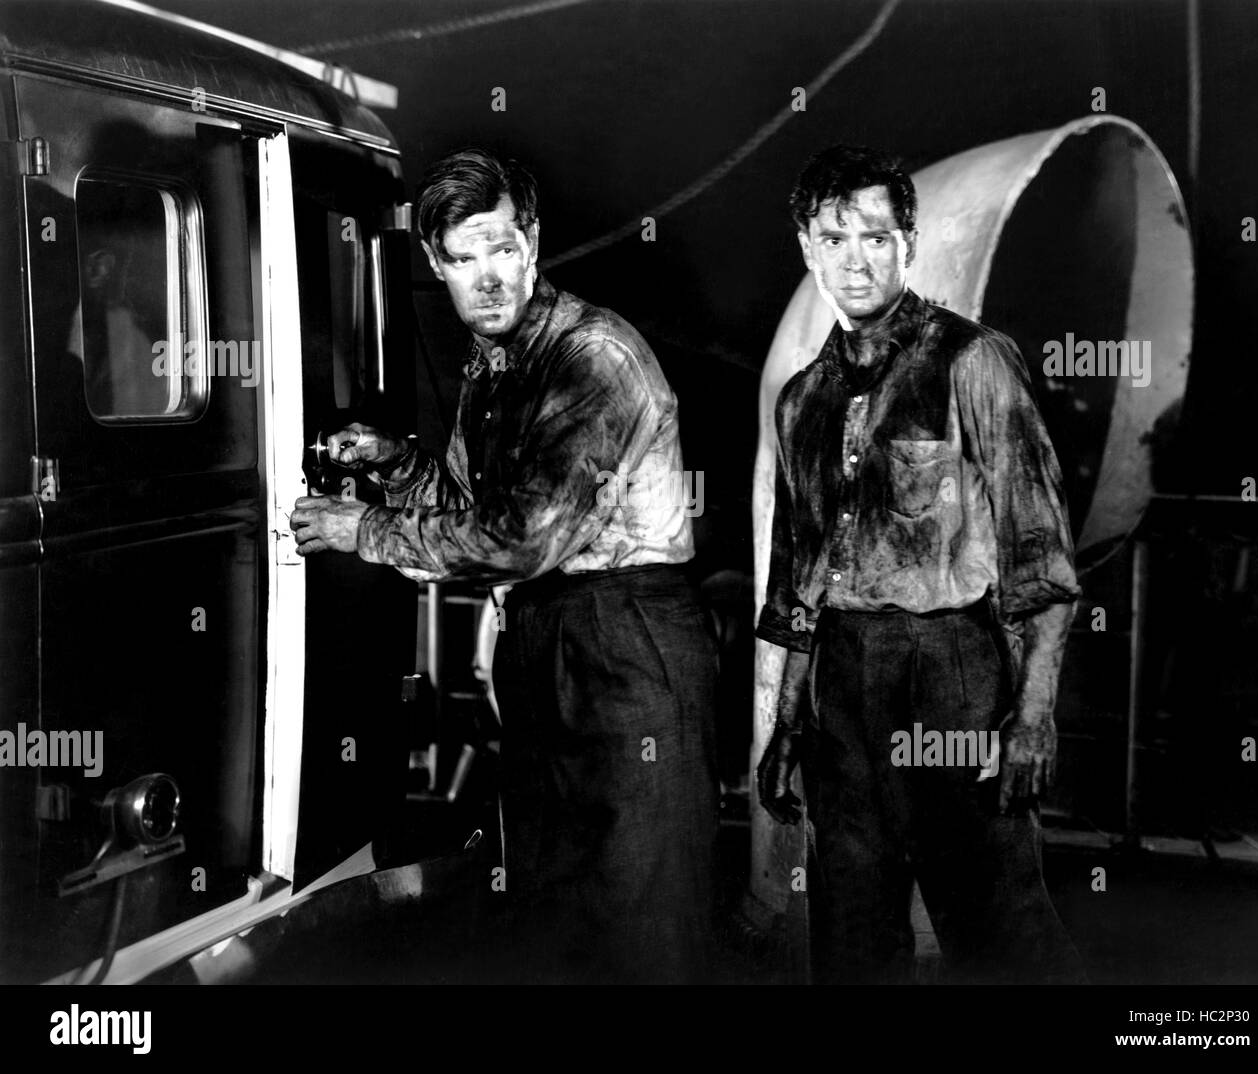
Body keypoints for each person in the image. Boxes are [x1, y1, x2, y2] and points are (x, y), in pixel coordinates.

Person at [290, 147, 718, 983]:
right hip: (546, 636)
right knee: (553, 907)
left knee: (644, 914)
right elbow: (463, 507)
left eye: (502, 248)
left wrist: (362, 530)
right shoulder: (493, 369)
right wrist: (391, 461)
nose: (487, 277)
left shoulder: (592, 357)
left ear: (532, 243)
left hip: (629, 643)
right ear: (435, 264)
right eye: (462, 256)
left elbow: (520, 537)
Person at [755, 144, 1085, 984]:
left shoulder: (971, 362)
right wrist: (788, 720)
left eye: (875, 236)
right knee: (854, 934)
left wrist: (1033, 716)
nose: (855, 258)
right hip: (841, 684)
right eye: (834, 239)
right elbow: (797, 583)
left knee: (999, 931)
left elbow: (1041, 562)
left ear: (909, 241)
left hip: (951, 673)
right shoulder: (802, 401)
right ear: (807, 249)